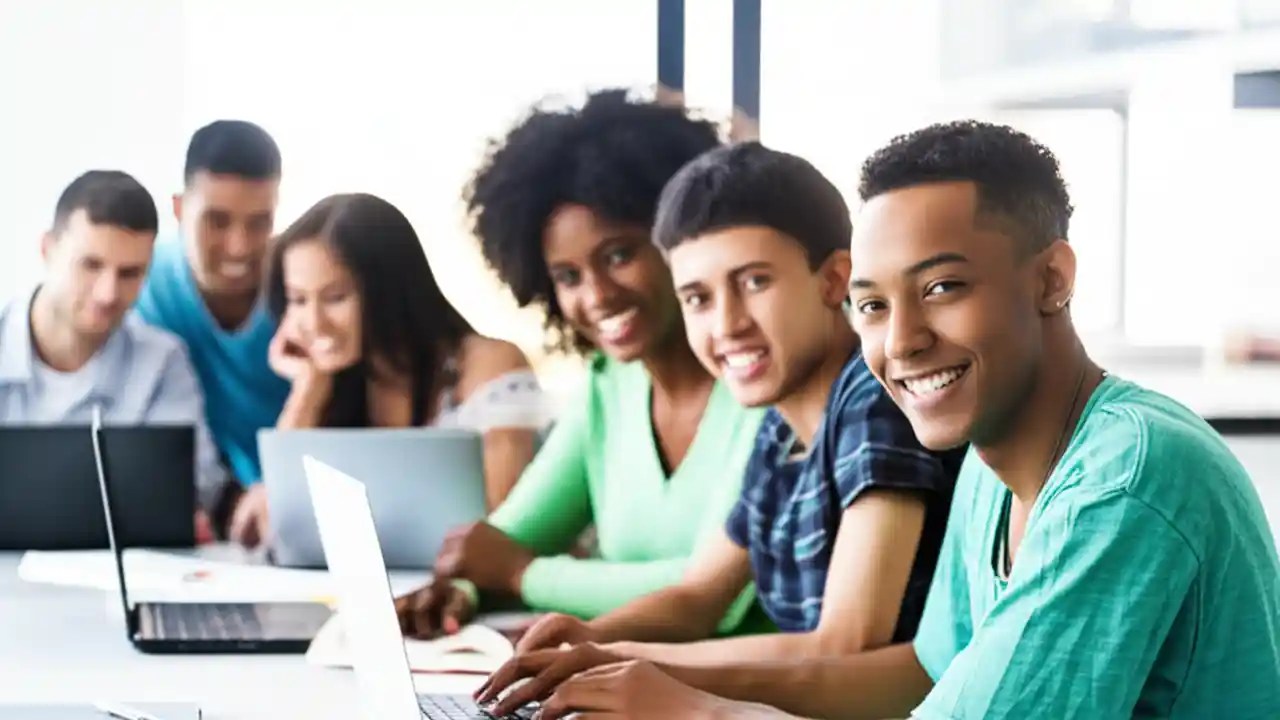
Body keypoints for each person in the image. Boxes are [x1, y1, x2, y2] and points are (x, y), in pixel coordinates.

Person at [483, 121, 1280, 720]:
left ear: (1051, 280)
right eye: (872, 304)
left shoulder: (1126, 477)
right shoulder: (989, 464)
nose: (898, 342)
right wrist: (630, 665)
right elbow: (922, 674)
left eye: (941, 289)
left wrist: (691, 708)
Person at [477, 142, 964, 717]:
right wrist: (590, 642)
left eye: (755, 282)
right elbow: (697, 599)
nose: (726, 324)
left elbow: (846, 644)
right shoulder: (781, 431)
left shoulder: (872, 401)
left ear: (834, 280)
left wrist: (632, 664)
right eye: (698, 298)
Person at [394, 89, 767, 638]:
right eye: (568, 276)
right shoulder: (608, 387)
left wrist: (523, 575)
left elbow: (711, 591)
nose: (596, 296)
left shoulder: (764, 380)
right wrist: (461, 588)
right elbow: (511, 537)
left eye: (619, 255)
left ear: (680, 238)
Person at [264, 192, 546, 515]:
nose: (314, 323)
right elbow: (283, 516)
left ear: (389, 289)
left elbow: (499, 520)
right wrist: (307, 391)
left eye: (336, 297)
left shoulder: (489, 365)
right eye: (298, 300)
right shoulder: (337, 384)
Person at [0, 170, 229, 528]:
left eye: (130, 273)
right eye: (91, 265)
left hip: (119, 573)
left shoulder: (162, 361)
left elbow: (194, 485)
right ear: (47, 249)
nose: (108, 293)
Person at [134, 119, 289, 543]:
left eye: (259, 222)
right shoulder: (138, 280)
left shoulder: (300, 284)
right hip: (206, 505)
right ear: (180, 209)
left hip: (296, 497)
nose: (240, 246)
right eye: (217, 221)